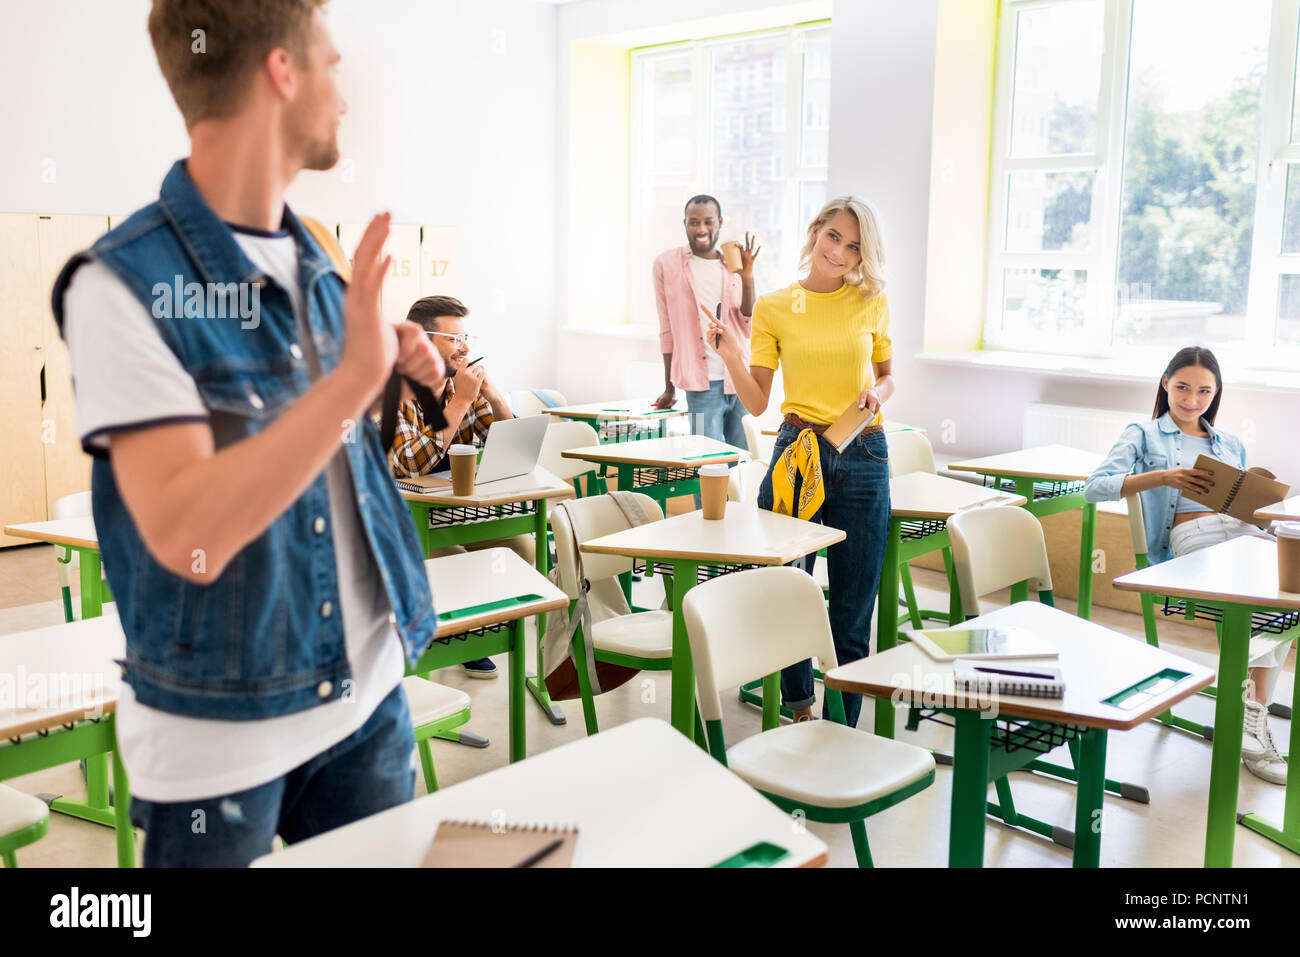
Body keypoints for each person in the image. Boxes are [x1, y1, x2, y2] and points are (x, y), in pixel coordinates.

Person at [51, 0, 447, 866]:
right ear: (282, 69)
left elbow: (317, 452)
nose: (343, 92)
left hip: (368, 697)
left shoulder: (311, 255)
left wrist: (379, 362)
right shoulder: (121, 286)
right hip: (218, 744)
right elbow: (189, 526)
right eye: (331, 63)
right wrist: (348, 380)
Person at [710, 196, 894, 728]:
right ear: (816, 231)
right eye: (834, 236)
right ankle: (799, 709)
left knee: (853, 605)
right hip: (796, 452)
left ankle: (843, 724)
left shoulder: (872, 301)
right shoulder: (772, 306)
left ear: (863, 257)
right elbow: (757, 400)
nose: (839, 252)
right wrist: (728, 355)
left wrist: (878, 392)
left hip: (863, 452)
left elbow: (888, 375)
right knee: (790, 590)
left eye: (855, 247)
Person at [1084, 346, 1291, 785]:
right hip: (1192, 538)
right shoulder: (1143, 433)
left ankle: (1249, 712)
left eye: (1203, 391)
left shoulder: (1229, 441)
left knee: (1288, 596)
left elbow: (1240, 504)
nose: (1191, 400)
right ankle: (1252, 717)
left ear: (1215, 394)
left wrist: (1255, 485)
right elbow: (1094, 488)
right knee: (1263, 601)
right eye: (1182, 387)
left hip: (1241, 531)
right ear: (1164, 383)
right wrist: (1164, 476)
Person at [387, 294, 522, 680]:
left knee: (520, 549)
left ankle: (472, 629)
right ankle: (450, 638)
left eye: (467, 339)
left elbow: (508, 441)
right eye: (454, 339)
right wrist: (461, 401)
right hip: (401, 519)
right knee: (457, 560)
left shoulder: (457, 384)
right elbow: (411, 464)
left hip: (449, 509)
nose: (465, 349)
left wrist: (492, 395)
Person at [652, 194, 759, 451]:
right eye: (694, 222)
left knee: (743, 460)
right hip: (699, 386)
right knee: (706, 463)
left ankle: (739, 496)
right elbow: (667, 331)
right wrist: (669, 387)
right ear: (685, 224)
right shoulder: (666, 264)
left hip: (740, 377)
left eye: (708, 221)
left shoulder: (731, 265)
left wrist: (747, 278)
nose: (701, 229)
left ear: (719, 222)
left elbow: (746, 325)